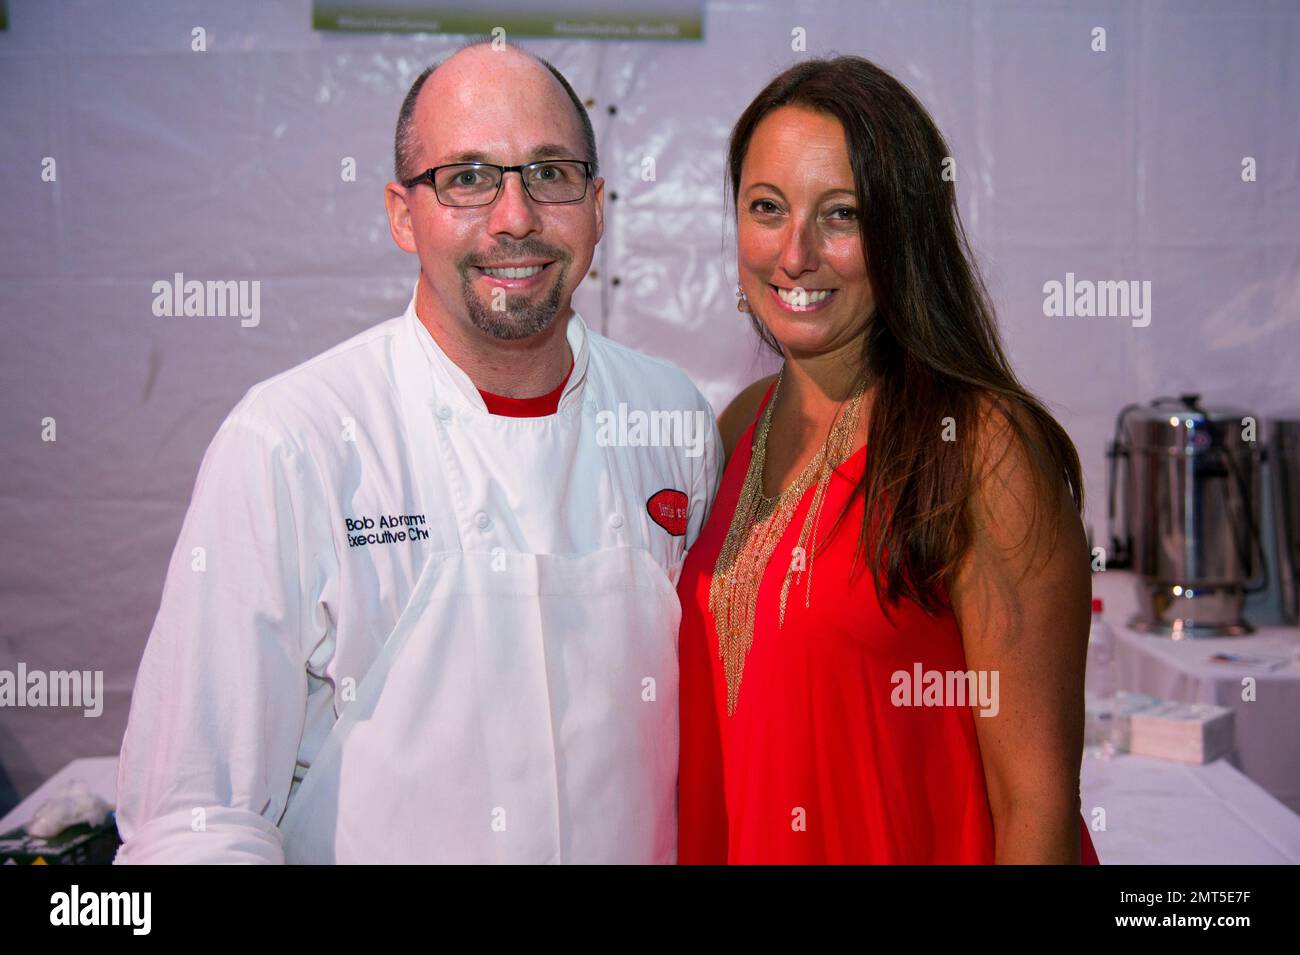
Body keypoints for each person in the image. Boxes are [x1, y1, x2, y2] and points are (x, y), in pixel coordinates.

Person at [114, 41, 721, 864]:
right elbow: (195, 820)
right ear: (403, 214)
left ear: (599, 203)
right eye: (467, 177)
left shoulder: (670, 417)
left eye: (551, 172)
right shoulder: (292, 444)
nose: (515, 216)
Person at [677, 56, 1100, 864]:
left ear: (904, 232)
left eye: (841, 214)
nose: (794, 253)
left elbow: (1035, 801)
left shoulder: (980, 447)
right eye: (766, 207)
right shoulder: (736, 427)